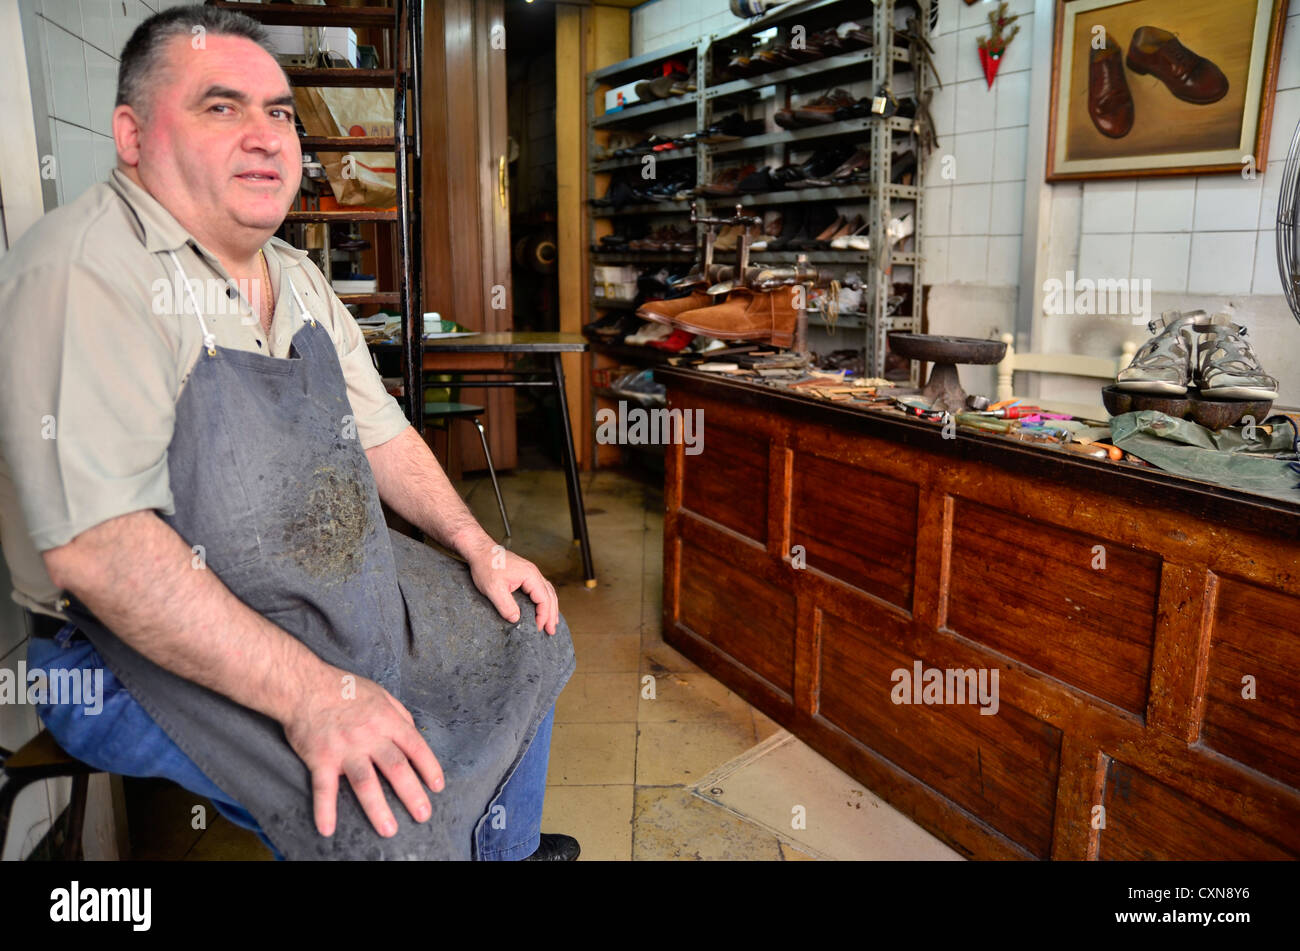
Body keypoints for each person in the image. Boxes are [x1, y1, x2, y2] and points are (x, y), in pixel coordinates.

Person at [0, 5, 578, 861]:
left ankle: (505, 852)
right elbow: (101, 554)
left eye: (279, 112)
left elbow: (382, 435)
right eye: (221, 107)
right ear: (131, 135)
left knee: (527, 632)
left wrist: (475, 544)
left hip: (311, 590)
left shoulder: (295, 276)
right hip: (118, 651)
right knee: (383, 809)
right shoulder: (84, 273)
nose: (269, 137)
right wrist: (316, 695)